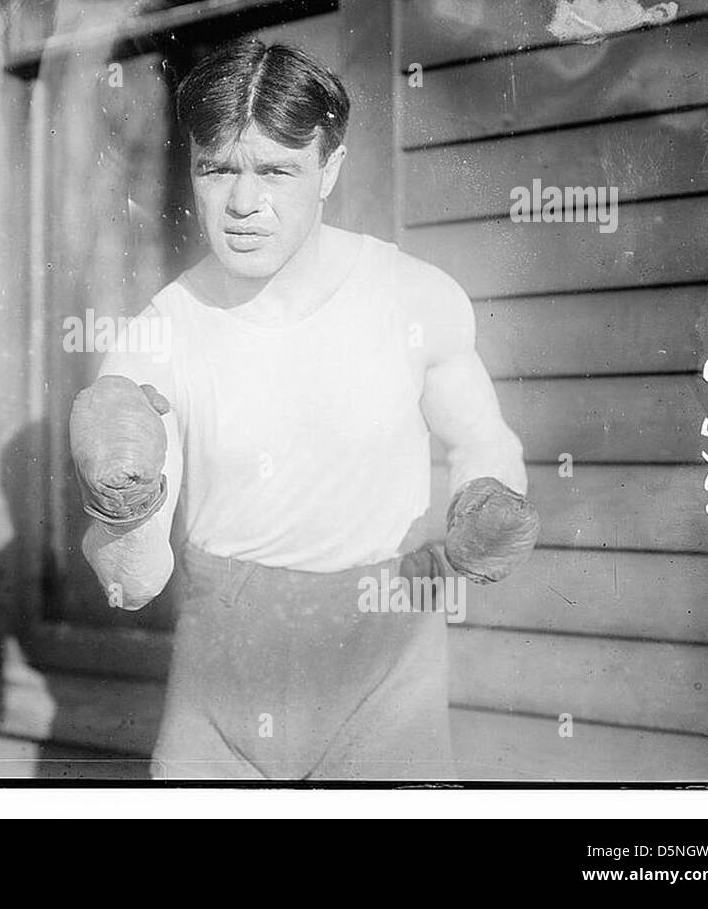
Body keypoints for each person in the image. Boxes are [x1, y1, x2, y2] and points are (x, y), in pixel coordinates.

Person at [68, 38, 539, 780]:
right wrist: (124, 506)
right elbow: (135, 585)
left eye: (277, 171)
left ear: (331, 170)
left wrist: (485, 505)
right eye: (216, 169)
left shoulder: (414, 298)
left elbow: (485, 442)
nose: (244, 204)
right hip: (223, 667)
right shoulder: (160, 335)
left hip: (386, 662)